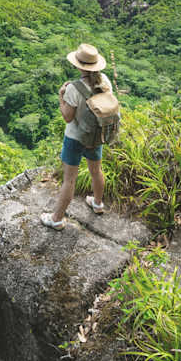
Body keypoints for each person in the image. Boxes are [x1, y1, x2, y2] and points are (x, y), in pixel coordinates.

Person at [42, 43, 111, 230]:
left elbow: (67, 117)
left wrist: (61, 97)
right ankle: (97, 203)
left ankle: (56, 219)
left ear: (79, 66)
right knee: (96, 171)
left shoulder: (74, 88)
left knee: (69, 179)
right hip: (96, 135)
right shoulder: (104, 80)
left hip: (75, 138)